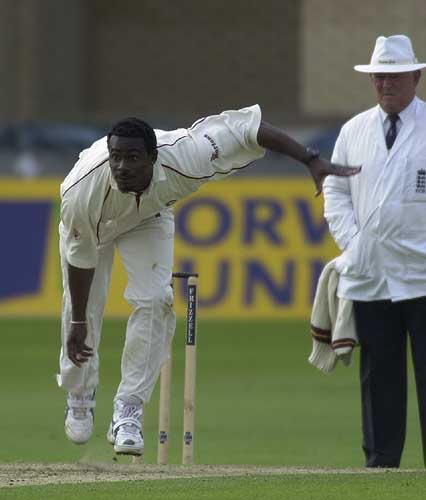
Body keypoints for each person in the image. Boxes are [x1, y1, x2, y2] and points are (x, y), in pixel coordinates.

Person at [58, 104, 360, 457]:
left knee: (156, 300)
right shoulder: (82, 189)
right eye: (117, 158)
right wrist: (78, 321)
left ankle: (128, 410)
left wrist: (309, 159)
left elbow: (249, 128)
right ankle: (79, 395)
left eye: (133, 158)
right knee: (82, 314)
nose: (123, 167)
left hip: (150, 216)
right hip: (94, 224)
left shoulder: (188, 155)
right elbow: (81, 260)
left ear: (153, 157)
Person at [323, 34, 426, 468]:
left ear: (416, 77)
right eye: (378, 76)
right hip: (372, 274)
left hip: (423, 276)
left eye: (395, 76)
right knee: (379, 375)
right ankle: (381, 464)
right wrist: (353, 242)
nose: (386, 84)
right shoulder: (353, 130)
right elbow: (335, 190)